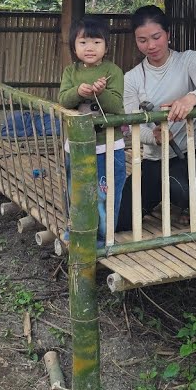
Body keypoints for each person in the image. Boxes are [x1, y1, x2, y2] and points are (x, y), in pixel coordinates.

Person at [122, 5, 196, 224]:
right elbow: (133, 126)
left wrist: (191, 99)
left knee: (180, 189)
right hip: (154, 159)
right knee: (121, 216)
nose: (150, 45)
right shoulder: (131, 79)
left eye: (156, 37)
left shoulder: (189, 60)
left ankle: (192, 199)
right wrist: (155, 137)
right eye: (142, 40)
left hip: (193, 152)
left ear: (168, 34)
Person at [56, 16, 126, 241]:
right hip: (75, 145)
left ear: (106, 46)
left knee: (105, 194)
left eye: (97, 42)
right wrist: (79, 92)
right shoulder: (71, 72)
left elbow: (116, 106)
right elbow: (63, 100)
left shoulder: (113, 71)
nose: (90, 48)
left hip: (108, 146)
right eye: (83, 42)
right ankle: (74, 230)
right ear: (73, 46)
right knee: (74, 189)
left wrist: (100, 93)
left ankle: (102, 237)